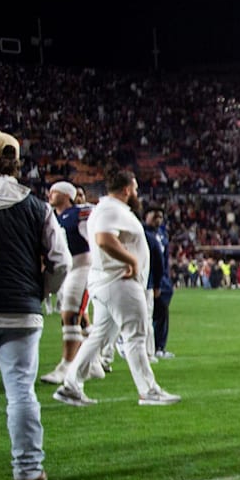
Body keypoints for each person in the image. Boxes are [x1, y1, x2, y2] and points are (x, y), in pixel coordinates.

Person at [0, 131, 70, 480]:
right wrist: (40, 291)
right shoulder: (39, 207)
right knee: (21, 391)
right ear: (15, 164)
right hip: (23, 311)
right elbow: (61, 263)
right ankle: (27, 468)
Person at [52, 167, 181, 407]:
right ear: (126, 189)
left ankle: (71, 385)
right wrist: (131, 260)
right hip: (119, 282)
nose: (137, 193)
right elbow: (104, 238)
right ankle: (148, 390)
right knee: (136, 335)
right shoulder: (112, 209)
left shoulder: (107, 208)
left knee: (99, 336)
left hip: (108, 282)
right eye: (135, 189)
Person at [39, 181, 95, 384]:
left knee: (70, 315)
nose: (50, 194)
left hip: (83, 267)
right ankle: (93, 363)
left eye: (55, 191)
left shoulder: (81, 212)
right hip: (69, 270)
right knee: (81, 319)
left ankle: (67, 366)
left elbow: (97, 232)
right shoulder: (55, 216)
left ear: (67, 195)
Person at [143, 207, 175, 360]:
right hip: (146, 279)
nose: (158, 219)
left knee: (161, 314)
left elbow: (165, 259)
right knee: (145, 316)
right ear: (146, 216)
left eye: (160, 217)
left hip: (161, 281)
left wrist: (165, 280)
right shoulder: (141, 233)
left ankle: (158, 347)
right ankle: (146, 348)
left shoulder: (162, 235)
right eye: (154, 216)